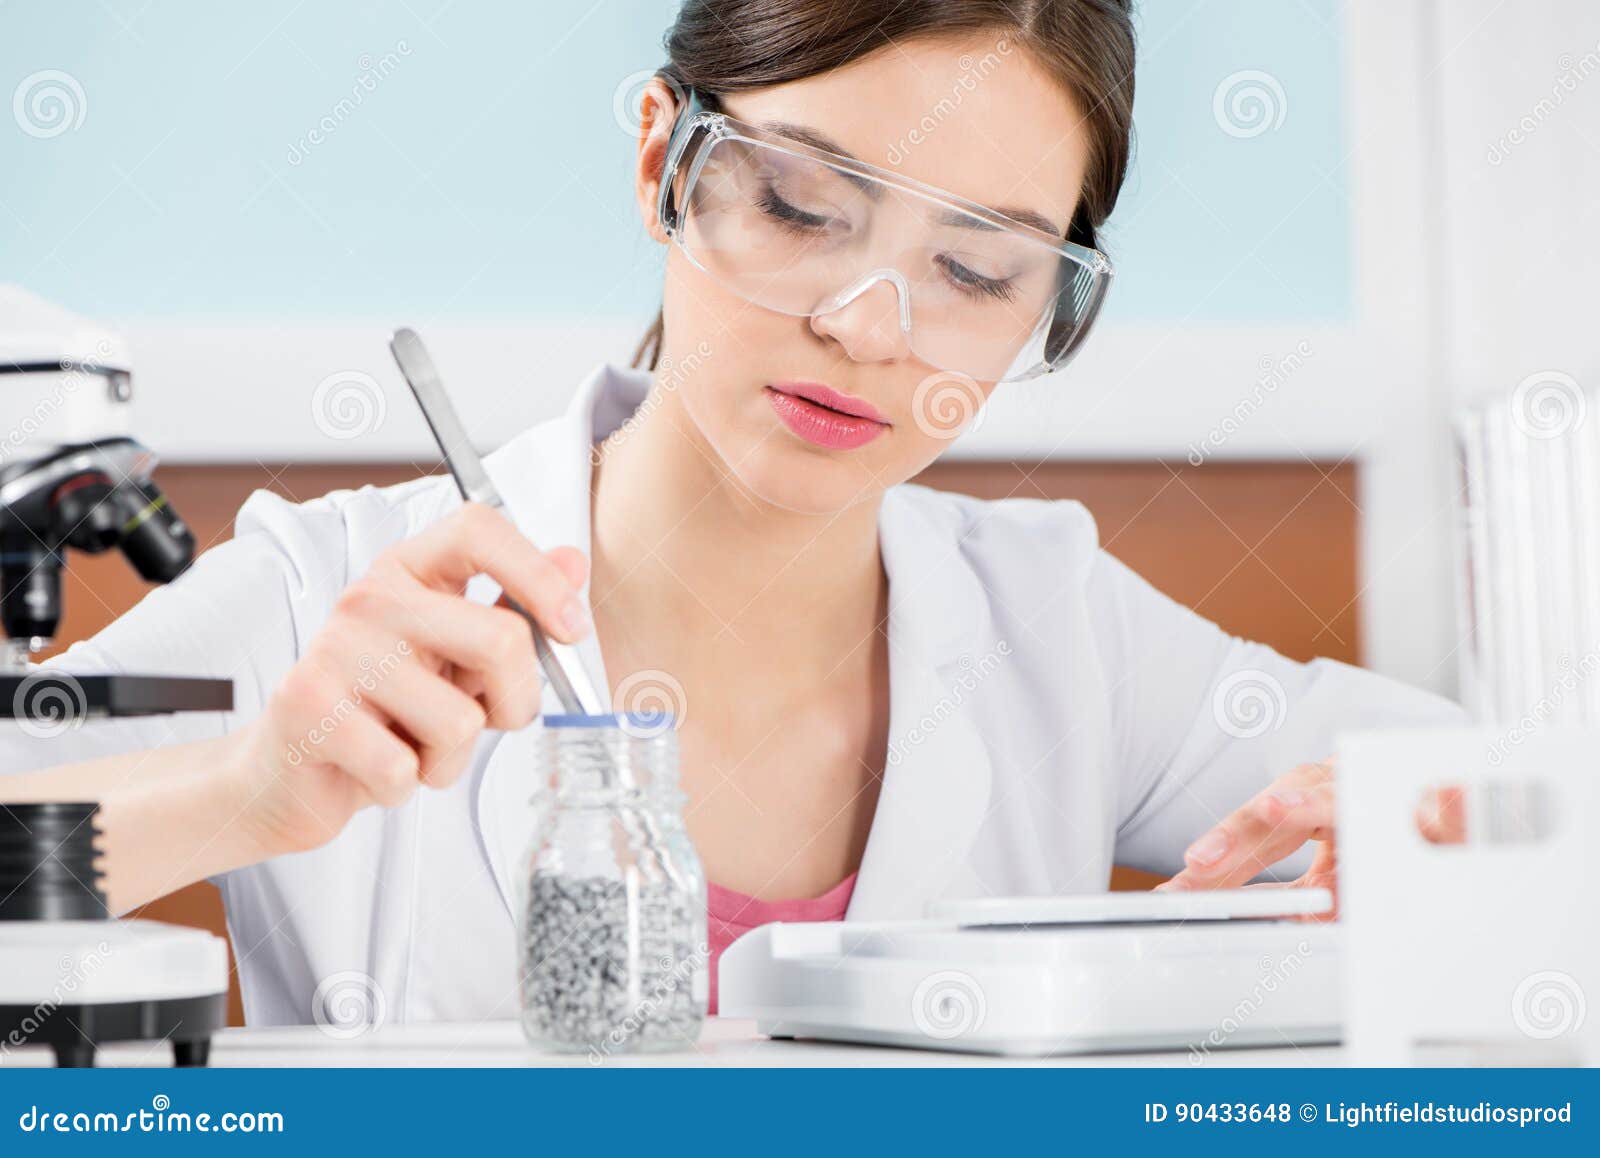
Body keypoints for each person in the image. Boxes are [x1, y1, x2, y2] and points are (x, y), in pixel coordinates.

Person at [0, 0, 1465, 1025]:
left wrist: (1443, 828)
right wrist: (245, 788)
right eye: (802, 205)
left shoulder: (1055, 623)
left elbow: (1520, 804)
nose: (870, 326)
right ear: (662, 159)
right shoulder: (335, 597)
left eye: (978, 271)